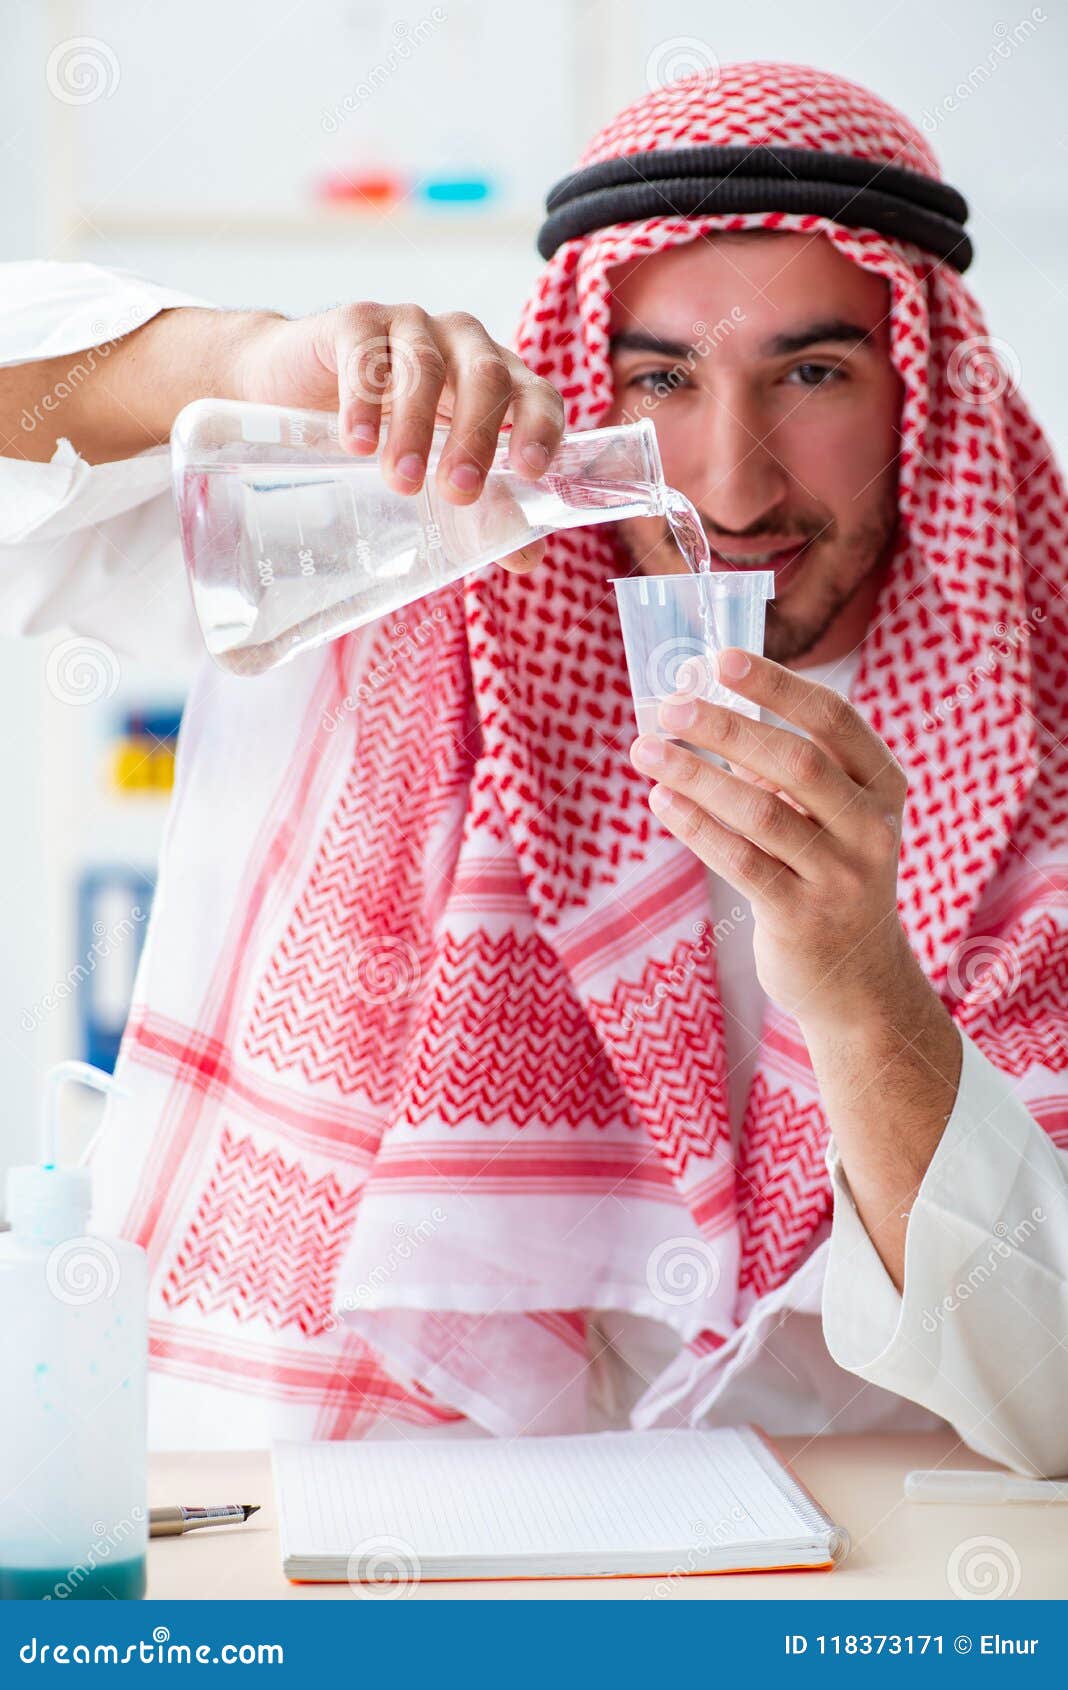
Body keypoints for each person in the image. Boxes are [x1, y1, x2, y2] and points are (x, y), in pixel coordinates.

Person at [2, 62, 1066, 1473]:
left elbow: (1055, 1390)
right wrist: (244, 364)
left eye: (813, 373)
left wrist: (868, 994)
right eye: (661, 379)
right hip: (378, 1531)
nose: (731, 484)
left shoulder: (1040, 717)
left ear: (924, 388)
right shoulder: (407, 580)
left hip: (885, 1563)